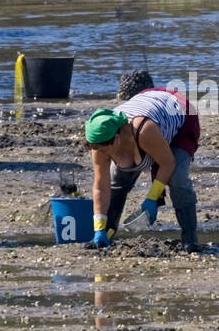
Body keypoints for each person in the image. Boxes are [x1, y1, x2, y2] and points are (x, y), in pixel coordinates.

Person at [83, 88, 201, 253]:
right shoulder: (99, 142)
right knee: (117, 182)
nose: (98, 152)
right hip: (147, 107)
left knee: (177, 180)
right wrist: (99, 228)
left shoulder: (144, 130)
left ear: (116, 139)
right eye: (93, 147)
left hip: (180, 114)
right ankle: (107, 235)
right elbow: (100, 187)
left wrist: (152, 198)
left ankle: (190, 240)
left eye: (101, 148)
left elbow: (167, 163)